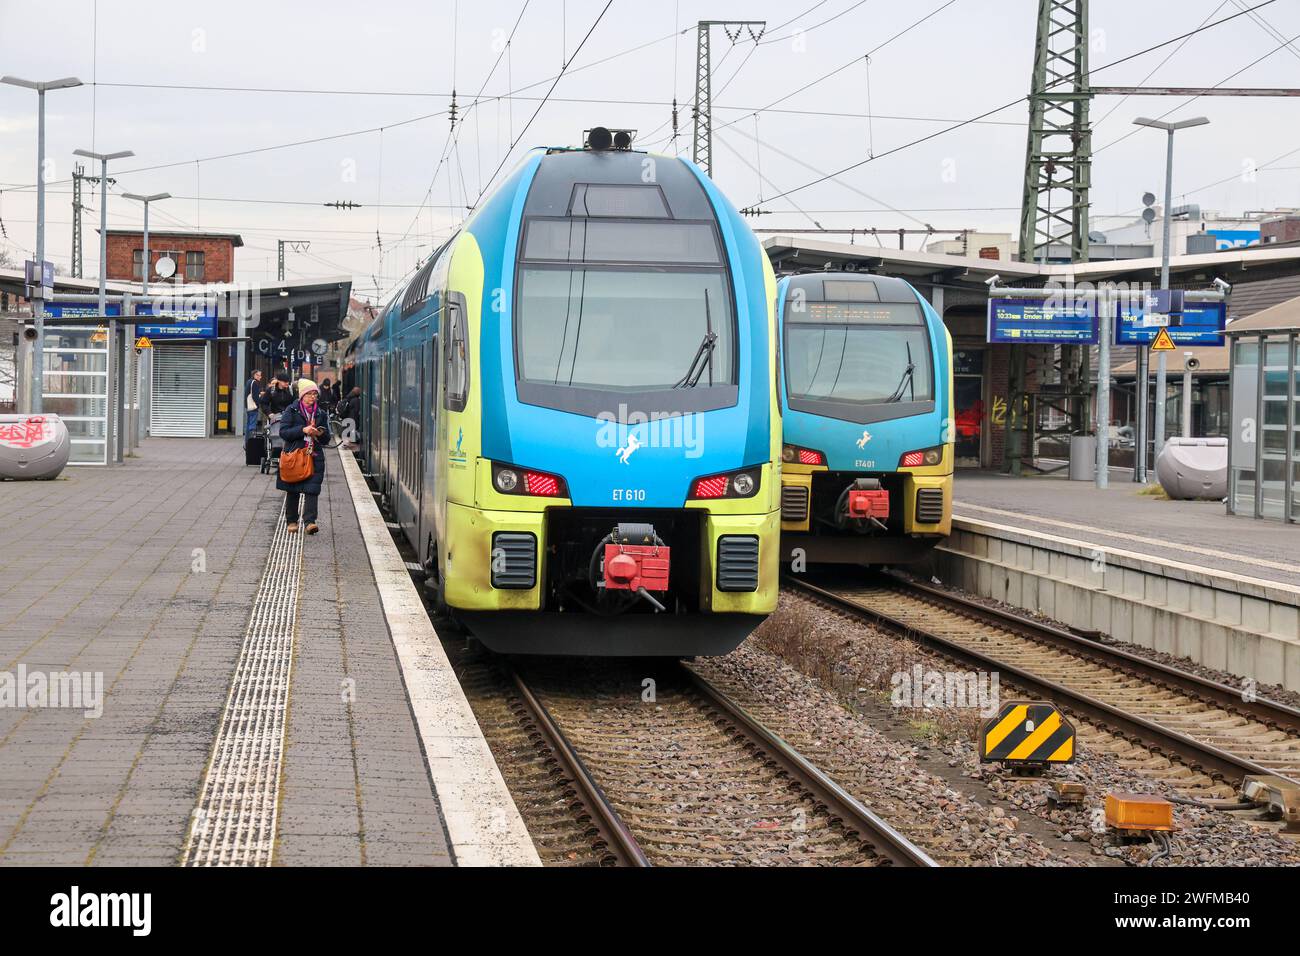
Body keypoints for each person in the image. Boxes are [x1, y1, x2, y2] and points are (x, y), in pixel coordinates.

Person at [276, 379, 330, 534]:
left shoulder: (321, 413)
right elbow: (284, 432)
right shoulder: (291, 411)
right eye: (309, 394)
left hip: (314, 456)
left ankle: (310, 522)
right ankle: (292, 521)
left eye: (315, 394)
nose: (313, 397)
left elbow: (327, 439)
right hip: (295, 455)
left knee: (312, 490)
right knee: (292, 489)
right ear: (302, 396)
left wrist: (320, 433)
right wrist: (303, 430)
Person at [245, 370, 266, 436]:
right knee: (252, 425)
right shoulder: (254, 383)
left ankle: (247, 443)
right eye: (259, 375)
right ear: (255, 375)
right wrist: (258, 403)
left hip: (248, 406)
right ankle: (251, 442)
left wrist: (259, 393)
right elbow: (255, 396)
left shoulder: (249, 381)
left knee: (248, 424)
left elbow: (250, 393)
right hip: (253, 406)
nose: (260, 377)